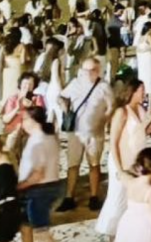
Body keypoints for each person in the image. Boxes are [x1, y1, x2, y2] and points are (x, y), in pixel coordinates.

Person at [95, 79, 151, 235]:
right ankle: (110, 233)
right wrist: (119, 168)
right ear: (133, 92)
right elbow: (113, 142)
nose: (144, 93)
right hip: (121, 160)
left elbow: (143, 132)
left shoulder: (141, 110)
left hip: (136, 162)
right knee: (117, 198)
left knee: (131, 201)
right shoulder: (122, 112)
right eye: (141, 90)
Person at [57, 58, 114, 212]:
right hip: (76, 132)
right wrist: (64, 106)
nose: (89, 73)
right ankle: (69, 197)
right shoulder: (75, 83)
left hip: (95, 133)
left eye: (93, 70)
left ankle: (94, 197)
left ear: (99, 70)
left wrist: (104, 121)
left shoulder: (104, 87)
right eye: (86, 70)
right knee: (72, 165)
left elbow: (111, 107)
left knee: (94, 165)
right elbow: (61, 96)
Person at [17, 106, 63, 242]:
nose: (23, 123)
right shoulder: (50, 137)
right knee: (26, 225)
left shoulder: (37, 142)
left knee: (41, 233)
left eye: (25, 119)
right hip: (49, 185)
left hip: (39, 190)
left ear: (33, 121)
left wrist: (19, 186)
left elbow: (38, 174)